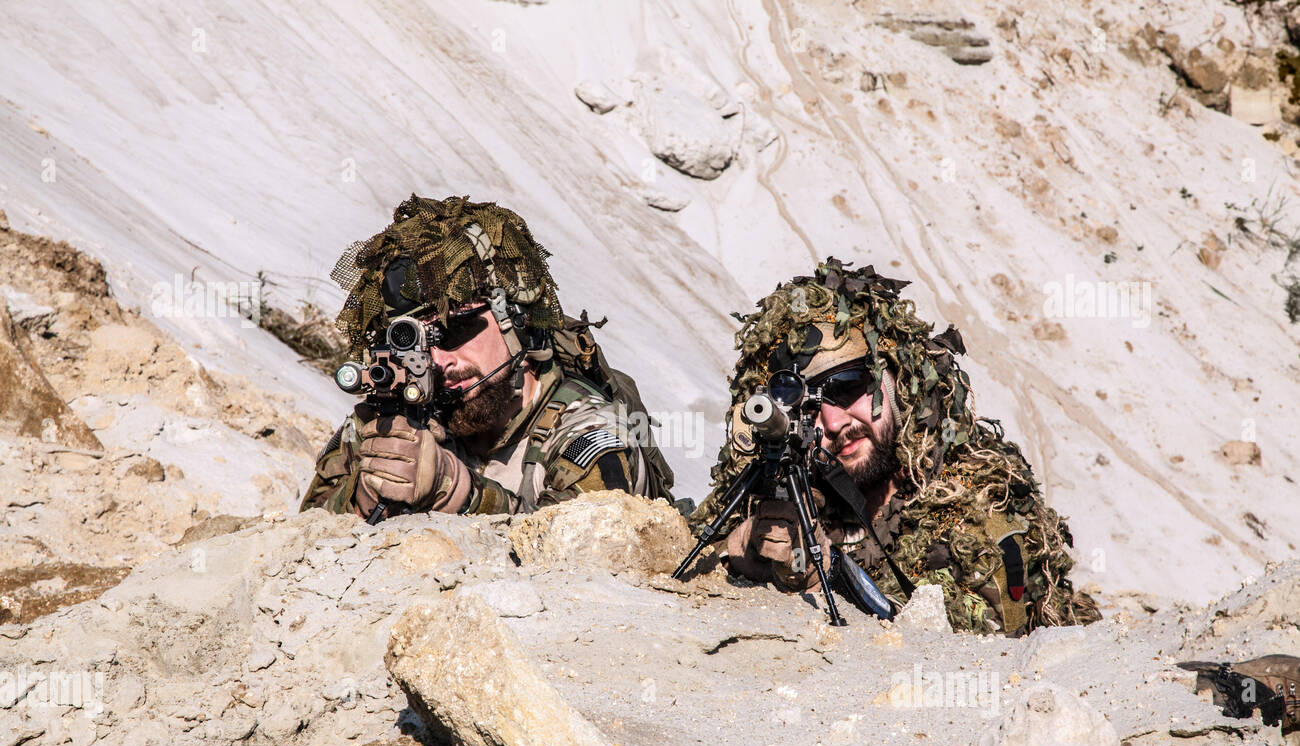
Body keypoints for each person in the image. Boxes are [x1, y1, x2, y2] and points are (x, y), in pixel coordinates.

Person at [697, 258, 1100, 636]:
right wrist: (735, 553)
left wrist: (826, 574)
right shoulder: (766, 489)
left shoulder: (971, 505)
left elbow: (981, 644)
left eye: (849, 389)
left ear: (898, 385)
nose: (835, 423)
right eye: (809, 409)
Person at [301, 195, 672, 517]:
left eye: (455, 332)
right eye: (413, 343)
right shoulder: (389, 420)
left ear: (515, 319)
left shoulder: (590, 436)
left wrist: (462, 495)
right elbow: (298, 544)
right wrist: (362, 498)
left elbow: (585, 566)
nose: (438, 361)